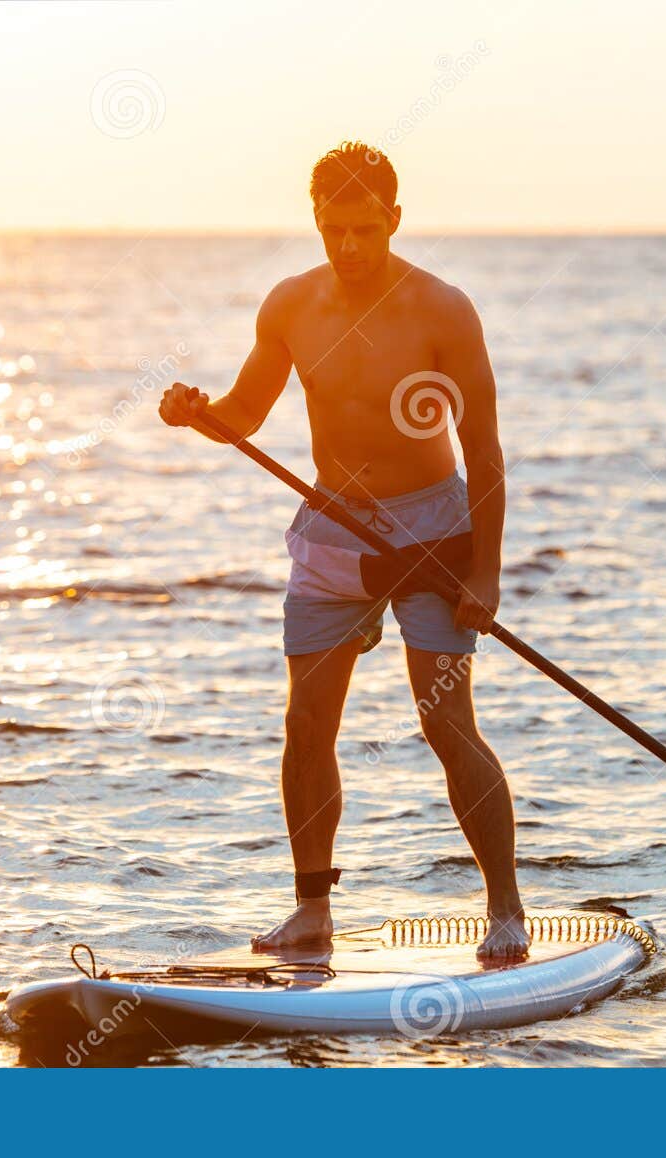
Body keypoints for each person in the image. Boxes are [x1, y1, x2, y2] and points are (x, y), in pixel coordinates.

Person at [158, 142, 527, 962]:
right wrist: (196, 411)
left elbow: (486, 450)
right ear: (317, 223)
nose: (350, 247)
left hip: (433, 529)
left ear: (395, 219)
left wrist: (487, 572)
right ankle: (311, 912)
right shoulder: (292, 306)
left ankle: (505, 909)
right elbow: (245, 414)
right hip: (332, 527)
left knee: (445, 723)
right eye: (335, 229)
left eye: (366, 228)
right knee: (306, 724)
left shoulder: (444, 311)